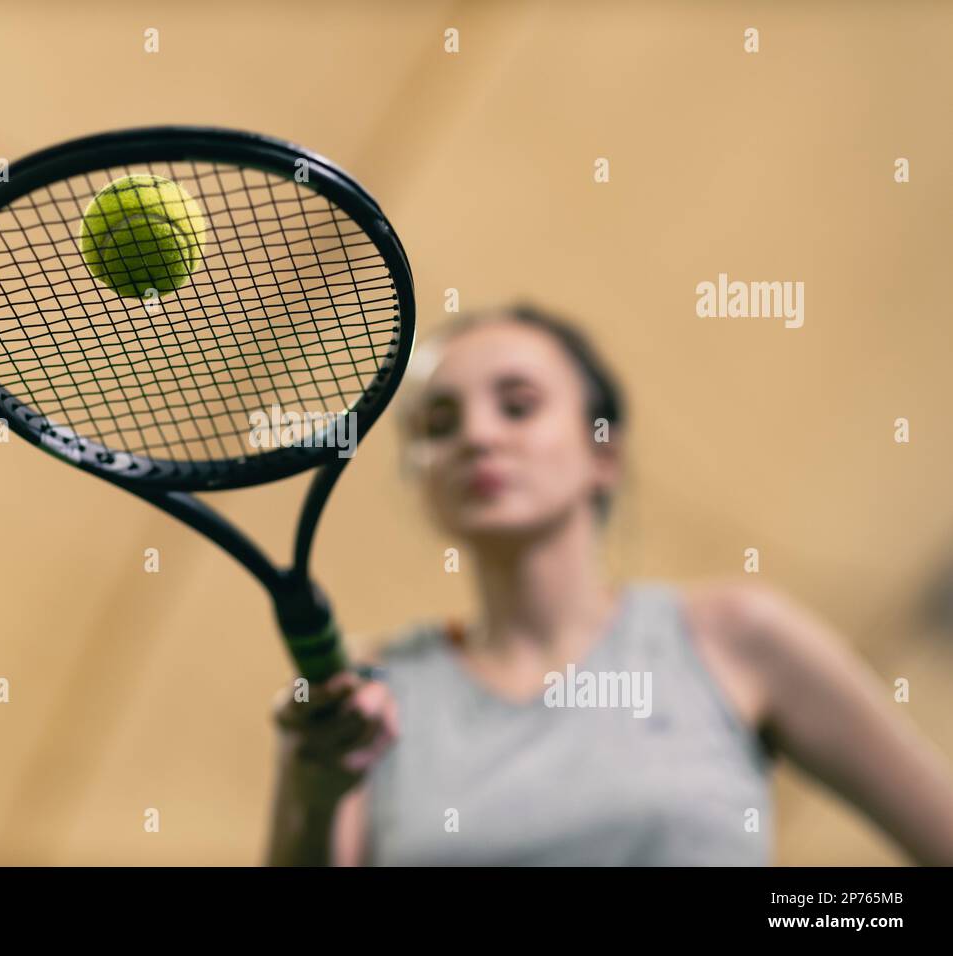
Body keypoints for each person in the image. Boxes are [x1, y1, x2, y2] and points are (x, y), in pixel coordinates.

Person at [266, 303, 953, 866]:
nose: (476, 435)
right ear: (423, 484)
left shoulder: (738, 635)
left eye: (518, 405)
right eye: (439, 423)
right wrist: (317, 789)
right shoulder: (364, 693)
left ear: (604, 453)